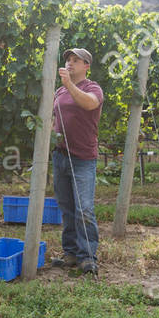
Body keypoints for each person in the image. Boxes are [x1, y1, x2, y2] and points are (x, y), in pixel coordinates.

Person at [50, 47, 104, 276]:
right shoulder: (59, 92)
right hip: (60, 156)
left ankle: (88, 256)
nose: (70, 63)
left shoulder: (93, 88)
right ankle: (71, 253)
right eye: (68, 60)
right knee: (67, 207)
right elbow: (54, 119)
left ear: (86, 66)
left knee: (84, 209)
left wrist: (68, 84)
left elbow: (89, 104)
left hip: (83, 158)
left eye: (76, 60)